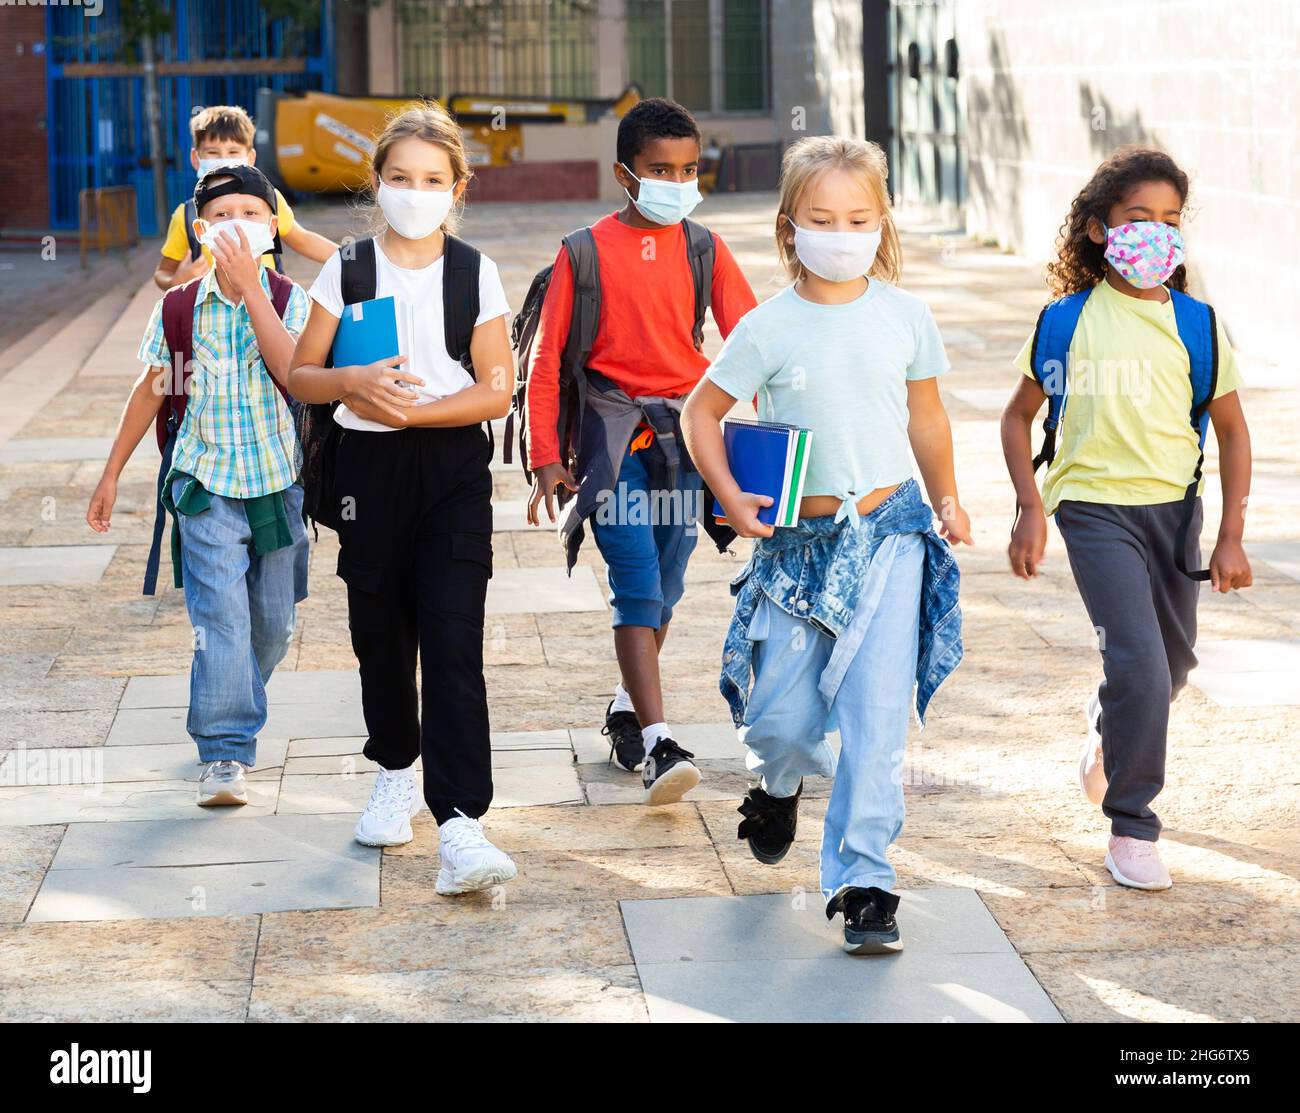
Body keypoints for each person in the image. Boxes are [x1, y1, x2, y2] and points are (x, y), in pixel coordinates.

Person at [682, 135, 968, 955]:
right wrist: (731, 498)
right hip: (797, 547)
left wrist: (947, 498)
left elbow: (926, 416)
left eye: (859, 217)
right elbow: (700, 413)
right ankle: (777, 784)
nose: (841, 231)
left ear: (882, 224)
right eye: (822, 218)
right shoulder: (770, 327)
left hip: (889, 537)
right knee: (785, 721)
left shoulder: (906, 316)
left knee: (876, 722)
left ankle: (864, 878)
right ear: (788, 227)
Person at [1001, 146, 1253, 891]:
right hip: (1093, 513)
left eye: (1170, 219)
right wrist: (1028, 509)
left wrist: (1232, 533)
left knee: (1170, 668)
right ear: (1099, 229)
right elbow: (1017, 419)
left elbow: (1234, 431)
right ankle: (1133, 824)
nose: (1157, 232)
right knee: (1141, 666)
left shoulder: (1199, 326)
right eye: (1138, 217)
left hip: (1176, 515)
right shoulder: (1065, 322)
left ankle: (1112, 725)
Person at [287, 105, 518, 896]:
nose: (414, 192)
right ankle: (394, 767)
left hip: (451, 464)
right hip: (369, 471)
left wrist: (418, 410)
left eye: (431, 180)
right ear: (378, 183)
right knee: (380, 633)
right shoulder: (346, 268)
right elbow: (300, 373)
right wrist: (351, 383)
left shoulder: (472, 271)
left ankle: (461, 825)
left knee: (454, 639)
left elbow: (497, 391)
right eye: (399, 178)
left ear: (456, 189)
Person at [524, 97, 757, 804]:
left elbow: (754, 336)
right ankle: (659, 743)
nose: (678, 182)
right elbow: (545, 359)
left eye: (689, 169)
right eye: (661, 170)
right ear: (625, 174)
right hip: (611, 441)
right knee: (637, 581)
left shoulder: (703, 247)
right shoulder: (583, 251)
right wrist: (544, 456)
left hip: (686, 441)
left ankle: (626, 709)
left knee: (670, 581)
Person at [87, 164, 310, 807]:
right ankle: (224, 752)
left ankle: (237, 696)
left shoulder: (295, 299)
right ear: (199, 231)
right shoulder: (179, 308)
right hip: (203, 484)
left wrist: (255, 295)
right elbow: (154, 386)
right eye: (220, 216)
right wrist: (110, 475)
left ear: (272, 226)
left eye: (250, 212)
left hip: (278, 485)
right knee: (222, 623)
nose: (236, 224)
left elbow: (296, 376)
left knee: (271, 627)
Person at [153, 104, 336, 291]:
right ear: (195, 158)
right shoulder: (187, 215)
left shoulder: (268, 200)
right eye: (212, 152)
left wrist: (351, 258)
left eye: (233, 152)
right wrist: (174, 281)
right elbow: (163, 273)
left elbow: (303, 240)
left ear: (250, 158)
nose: (223, 160)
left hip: (270, 307)